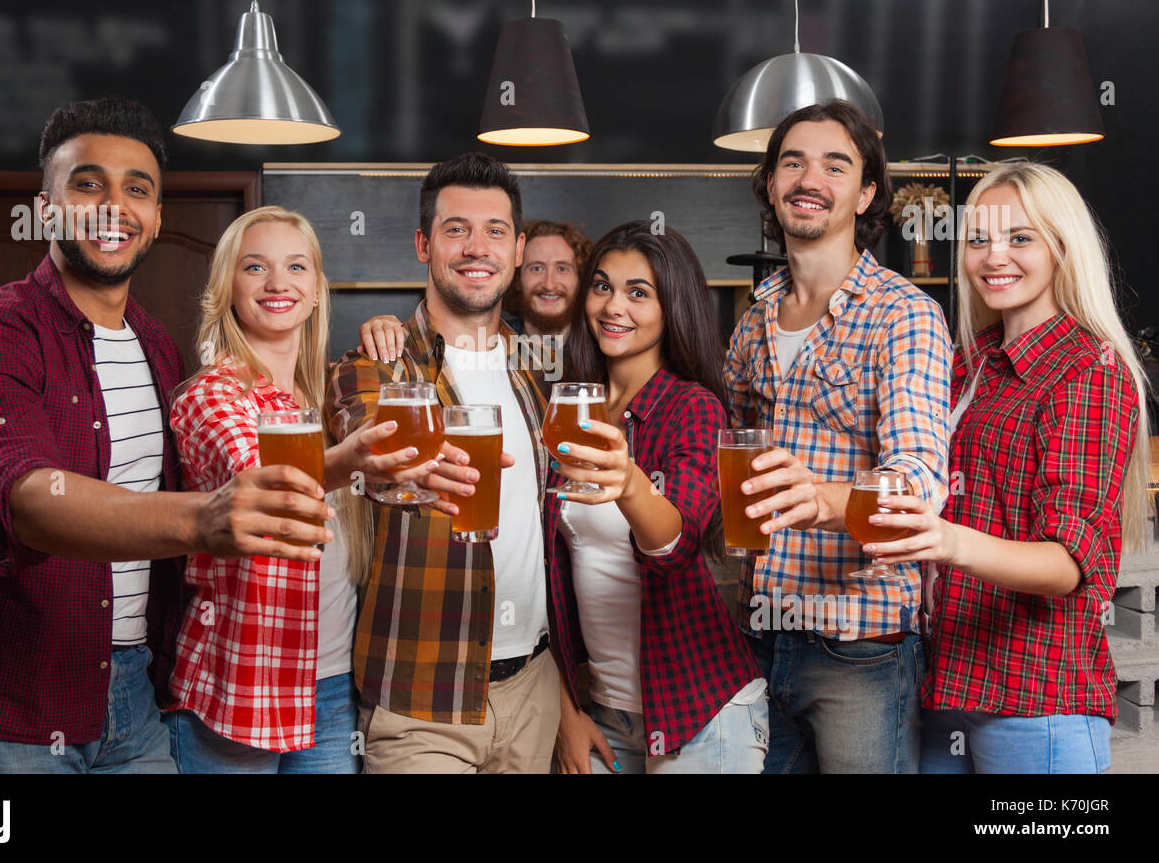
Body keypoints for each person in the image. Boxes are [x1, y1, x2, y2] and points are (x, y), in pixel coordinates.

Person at [0, 98, 332, 773]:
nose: (114, 205)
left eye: (137, 189)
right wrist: (206, 517)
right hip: (10, 696)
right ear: (46, 209)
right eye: (87, 183)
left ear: (157, 218)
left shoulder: (157, 347)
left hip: (135, 696)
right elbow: (28, 502)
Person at [862, 162, 1150, 774]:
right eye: (979, 238)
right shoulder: (970, 365)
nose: (995, 256)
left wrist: (945, 540)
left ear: (1061, 248)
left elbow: (1069, 564)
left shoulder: (1089, 371)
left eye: (1020, 237)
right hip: (948, 683)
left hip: (1038, 698)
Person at [723, 99, 952, 773]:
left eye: (834, 164)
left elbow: (918, 480)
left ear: (866, 191)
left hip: (861, 649)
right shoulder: (754, 317)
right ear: (770, 184)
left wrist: (823, 498)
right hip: (759, 633)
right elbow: (733, 448)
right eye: (791, 162)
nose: (808, 178)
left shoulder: (903, 315)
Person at [165, 207, 436, 773]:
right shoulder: (211, 397)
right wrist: (351, 460)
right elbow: (264, 483)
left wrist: (391, 332)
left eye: (296, 266)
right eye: (255, 267)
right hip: (239, 688)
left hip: (334, 686)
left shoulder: (325, 400)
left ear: (315, 292)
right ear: (228, 289)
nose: (277, 283)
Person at [547, 221, 818, 774]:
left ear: (673, 307)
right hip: (601, 709)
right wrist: (566, 710)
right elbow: (541, 575)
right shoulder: (572, 406)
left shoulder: (691, 407)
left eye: (638, 293)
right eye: (602, 286)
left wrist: (629, 482)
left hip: (699, 712)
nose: (612, 306)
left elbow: (676, 541)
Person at [327, 152, 559, 773]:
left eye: (495, 231)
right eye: (456, 229)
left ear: (517, 251)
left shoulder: (538, 371)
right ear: (424, 244)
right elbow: (363, 443)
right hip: (420, 697)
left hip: (536, 688)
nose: (476, 247)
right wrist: (395, 467)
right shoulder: (375, 365)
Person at [356, 219, 591, 376]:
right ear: (517, 278)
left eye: (562, 269)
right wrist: (386, 331)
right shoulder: (490, 342)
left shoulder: (596, 347)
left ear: (580, 278)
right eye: (536, 269)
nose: (549, 284)